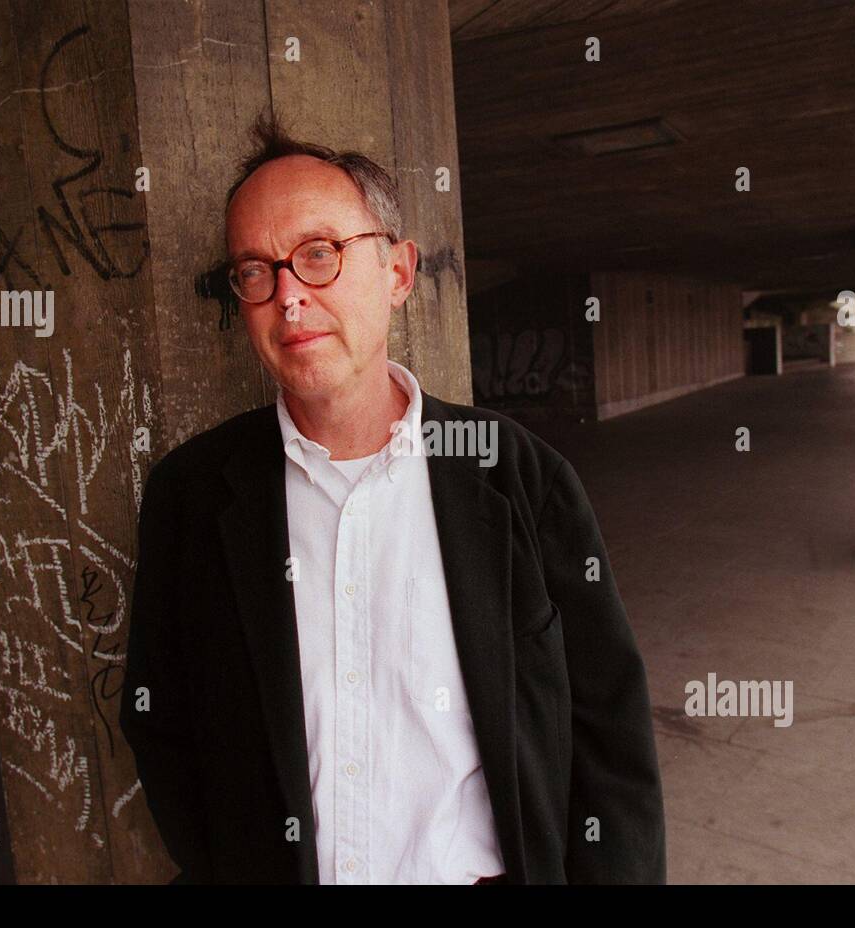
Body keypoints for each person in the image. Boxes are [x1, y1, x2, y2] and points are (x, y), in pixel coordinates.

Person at [118, 113, 665, 885]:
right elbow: (159, 719)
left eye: (319, 255)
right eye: (255, 271)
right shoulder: (194, 495)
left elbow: (608, 725)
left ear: (399, 273)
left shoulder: (517, 476)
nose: (289, 299)